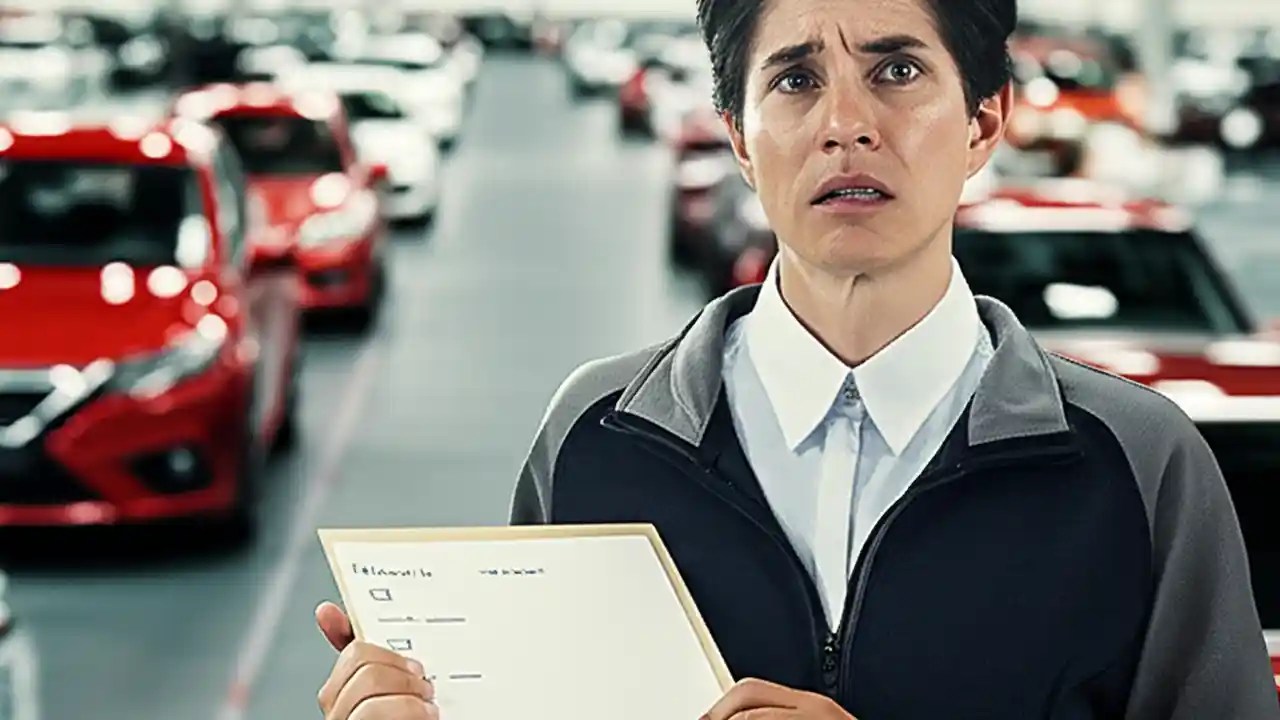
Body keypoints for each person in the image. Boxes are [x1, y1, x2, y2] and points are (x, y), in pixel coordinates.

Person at [315, 0, 1280, 717]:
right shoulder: (597, 439)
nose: (844, 124)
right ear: (739, 133)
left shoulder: (1140, 467)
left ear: (985, 120)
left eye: (897, 72)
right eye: (795, 78)